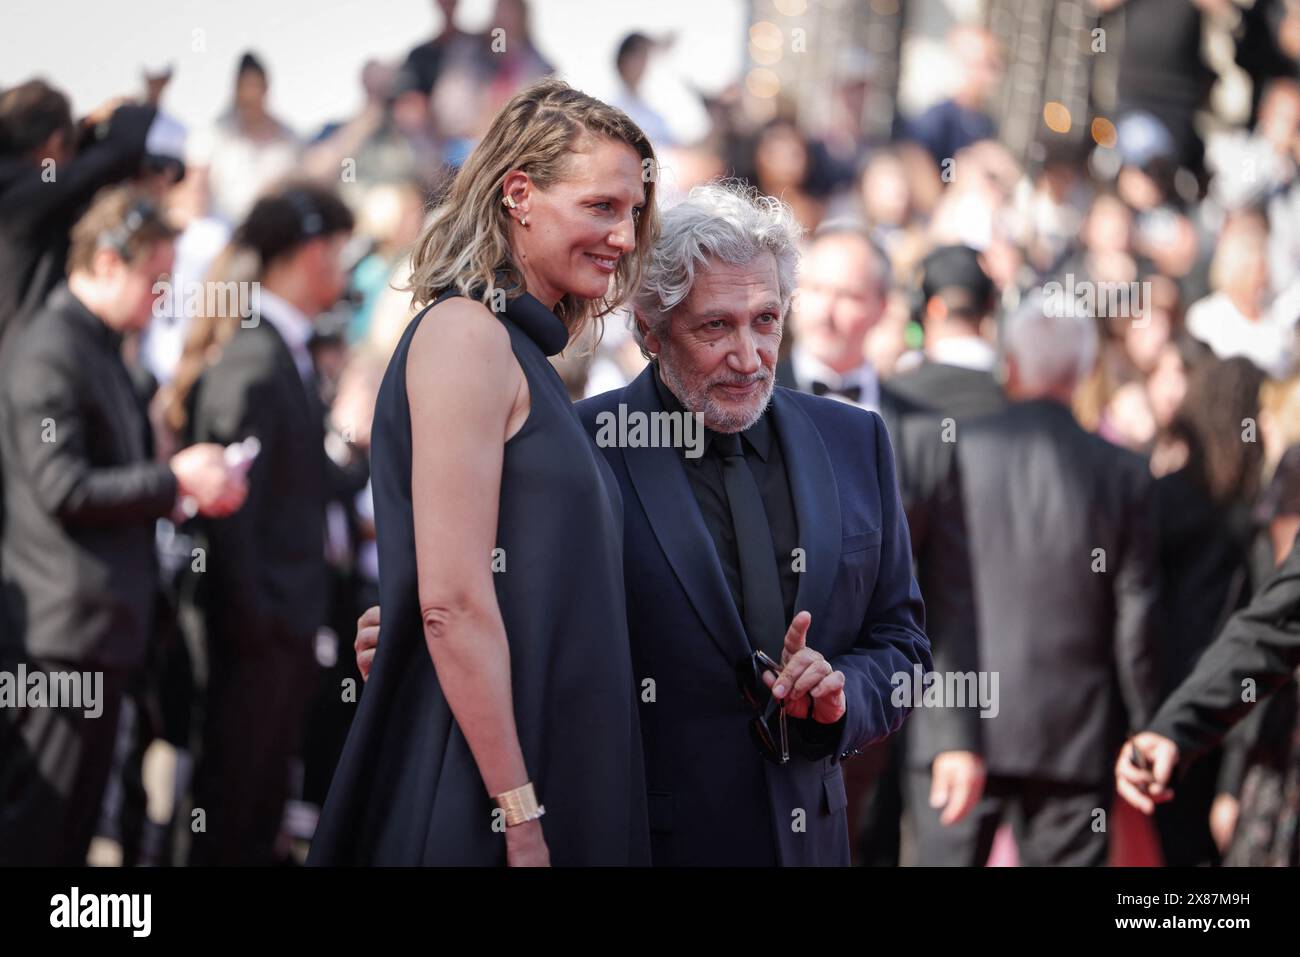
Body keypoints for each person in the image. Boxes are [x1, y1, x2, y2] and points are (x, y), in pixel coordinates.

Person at [353, 182, 932, 866]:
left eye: (766, 320)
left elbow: (904, 642)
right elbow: (503, 622)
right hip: (640, 841)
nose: (749, 356)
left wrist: (842, 698)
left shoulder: (854, 440)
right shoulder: (575, 449)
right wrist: (413, 649)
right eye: (716, 326)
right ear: (649, 330)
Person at [311, 78, 658, 867]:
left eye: (633, 212)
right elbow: (455, 605)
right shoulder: (465, 335)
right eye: (602, 207)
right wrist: (520, 814)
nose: (626, 236)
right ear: (519, 194)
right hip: (480, 792)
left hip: (524, 766)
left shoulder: (519, 355)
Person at [0, 186, 246, 865]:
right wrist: (174, 481)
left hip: (102, 635)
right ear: (107, 262)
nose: (162, 297)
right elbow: (61, 485)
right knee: (39, 831)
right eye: (154, 279)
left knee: (74, 830)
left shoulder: (104, 348)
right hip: (59, 644)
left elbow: (111, 481)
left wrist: (180, 493)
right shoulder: (50, 349)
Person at [165, 183, 366, 865]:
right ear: (312, 254)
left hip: (280, 629)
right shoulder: (254, 358)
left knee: (255, 812)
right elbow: (228, 515)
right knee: (230, 810)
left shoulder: (284, 351)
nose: (343, 268)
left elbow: (308, 479)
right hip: (253, 635)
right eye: (338, 252)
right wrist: (258, 621)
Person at [938, 293, 1160, 866]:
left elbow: (925, 592)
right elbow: (1136, 621)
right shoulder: (1125, 473)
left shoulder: (957, 452)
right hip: (1074, 730)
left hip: (962, 725)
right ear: (1085, 372)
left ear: (1009, 363)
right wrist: (1145, 725)